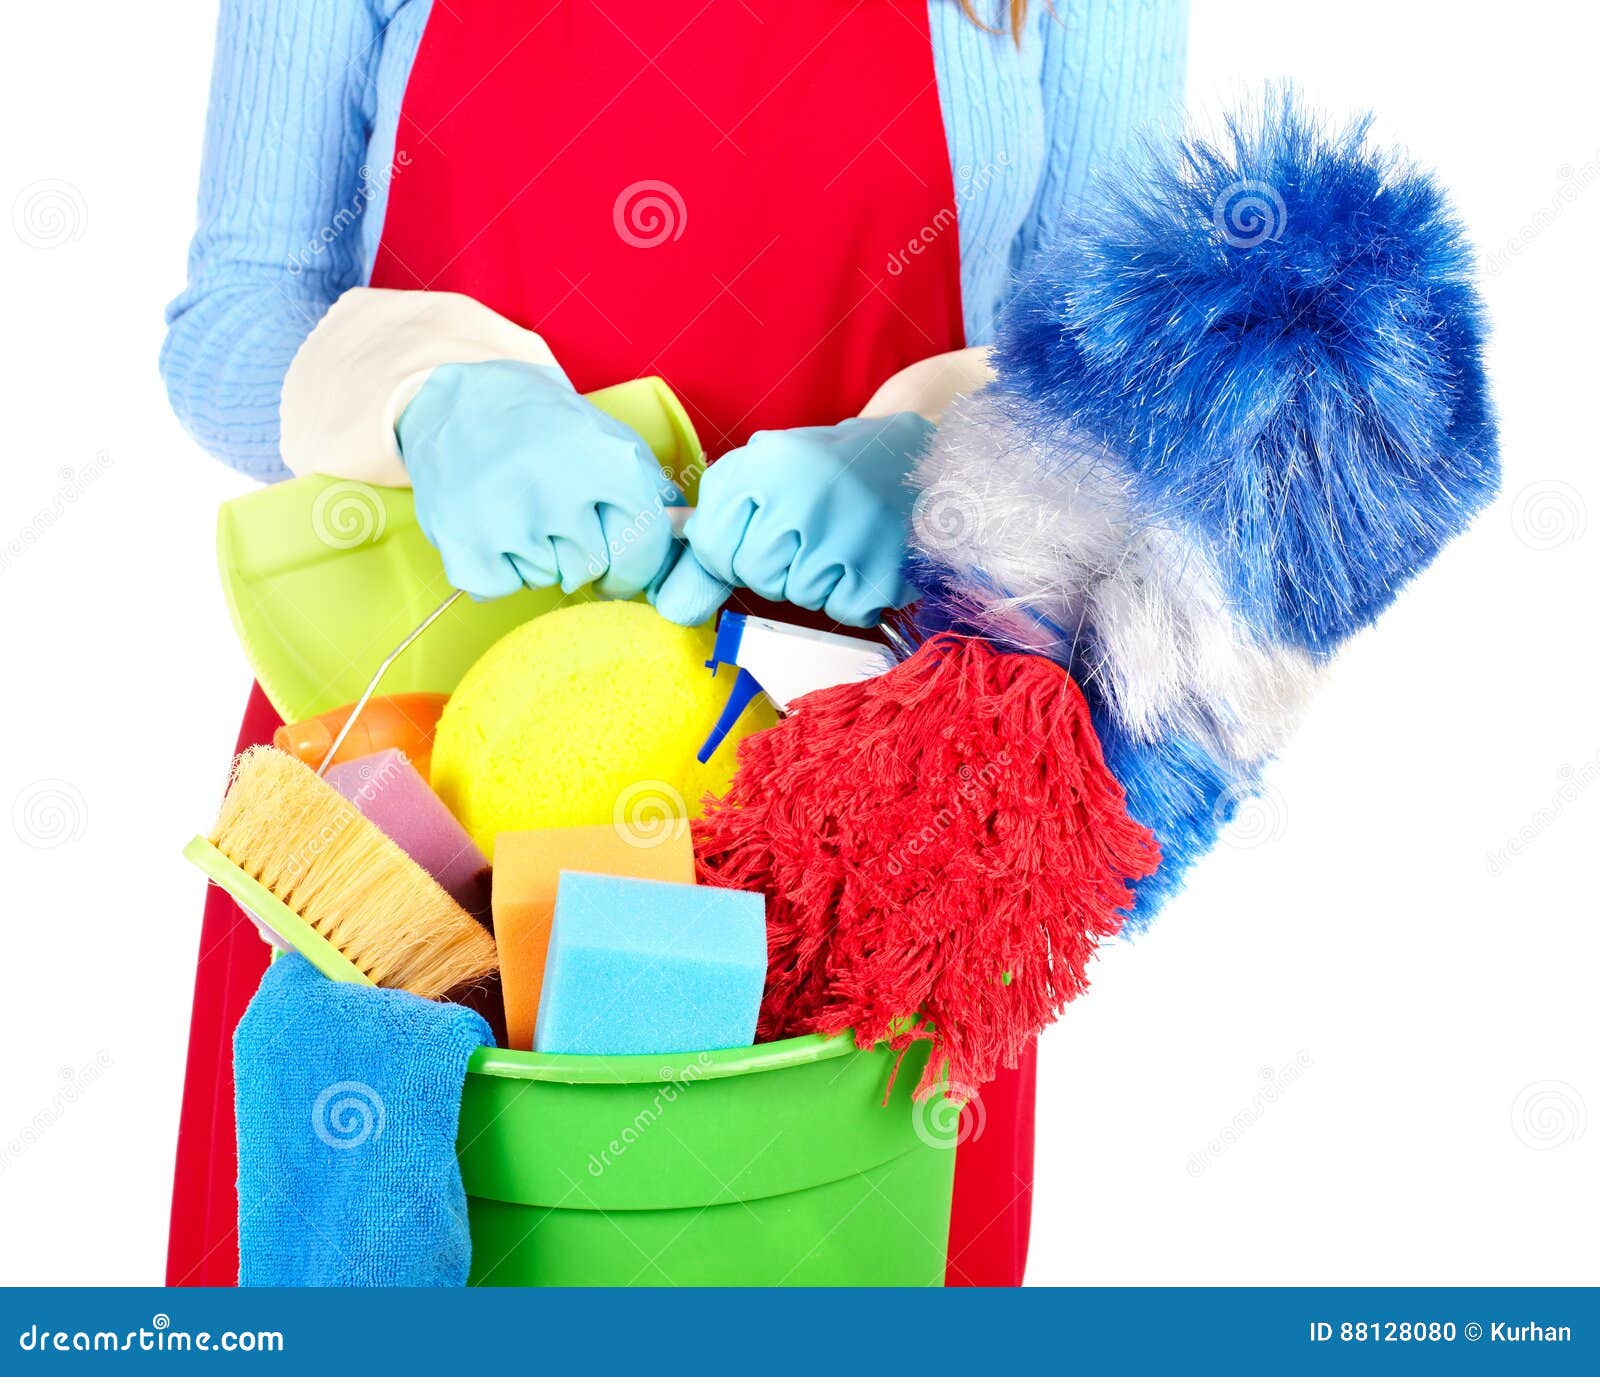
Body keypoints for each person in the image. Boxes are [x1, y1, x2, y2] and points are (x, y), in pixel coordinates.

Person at [162, 0, 1189, 1287]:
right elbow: (230, 318)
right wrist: (427, 399)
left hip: (875, 833)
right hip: (412, 799)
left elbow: (1140, 375)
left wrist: (951, 471)